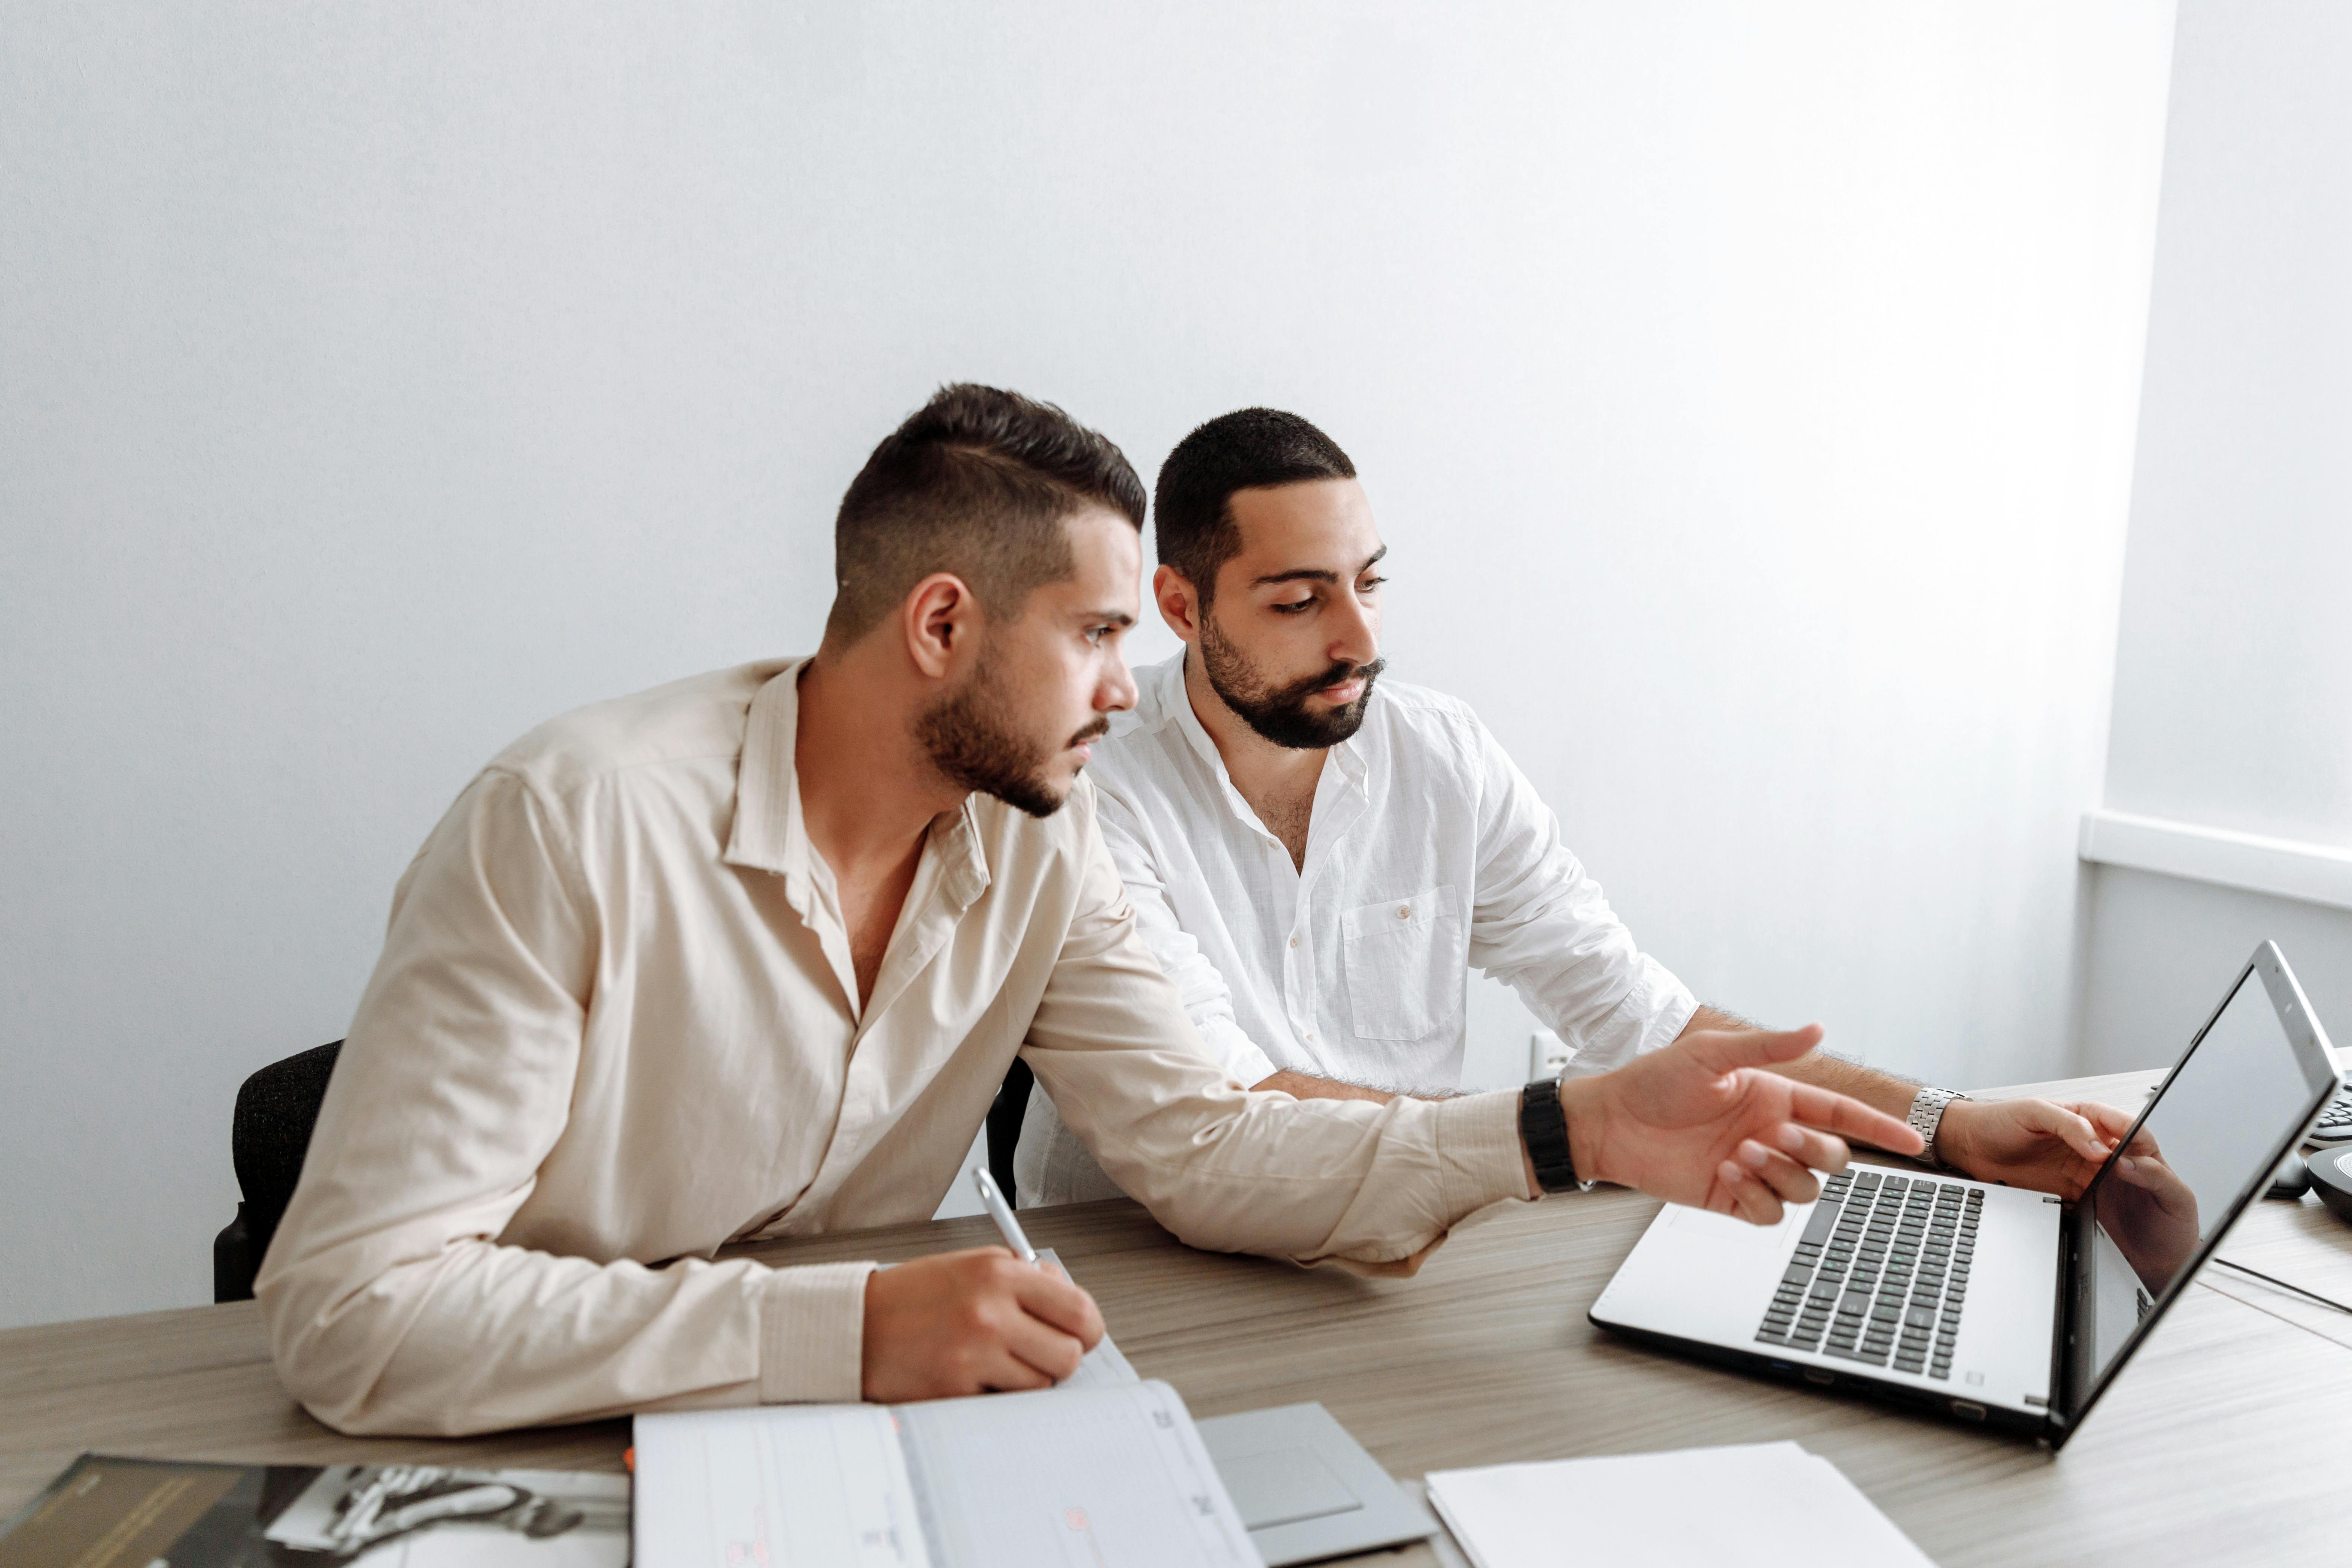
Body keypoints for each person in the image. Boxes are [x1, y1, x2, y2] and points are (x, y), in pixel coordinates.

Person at [256, 385, 1920, 1438]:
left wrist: (1570, 1128)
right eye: (1098, 637)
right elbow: (351, 1315)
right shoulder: (568, 822)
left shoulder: (1036, 841)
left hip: (869, 1439)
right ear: (937, 625)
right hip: (540, 1448)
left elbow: (1207, 1145)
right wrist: (841, 1326)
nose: (1131, 691)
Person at [1015, 408, 2132, 1209]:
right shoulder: (1092, 784)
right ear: (1177, 604)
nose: (1358, 639)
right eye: (1300, 600)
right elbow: (1234, 1106)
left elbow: (1645, 1016)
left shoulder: (1440, 757)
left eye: (1369, 582)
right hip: (1143, 1273)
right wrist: (1565, 1135)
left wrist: (1947, 1122)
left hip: (1418, 1247)